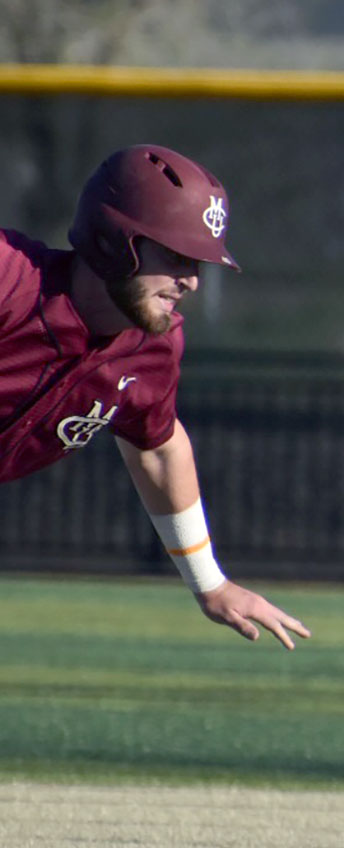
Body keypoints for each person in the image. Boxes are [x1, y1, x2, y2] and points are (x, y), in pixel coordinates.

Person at [0, 144, 309, 650]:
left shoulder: (154, 348)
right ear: (113, 241)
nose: (190, 280)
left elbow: (160, 448)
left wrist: (209, 582)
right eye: (177, 256)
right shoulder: (11, 279)